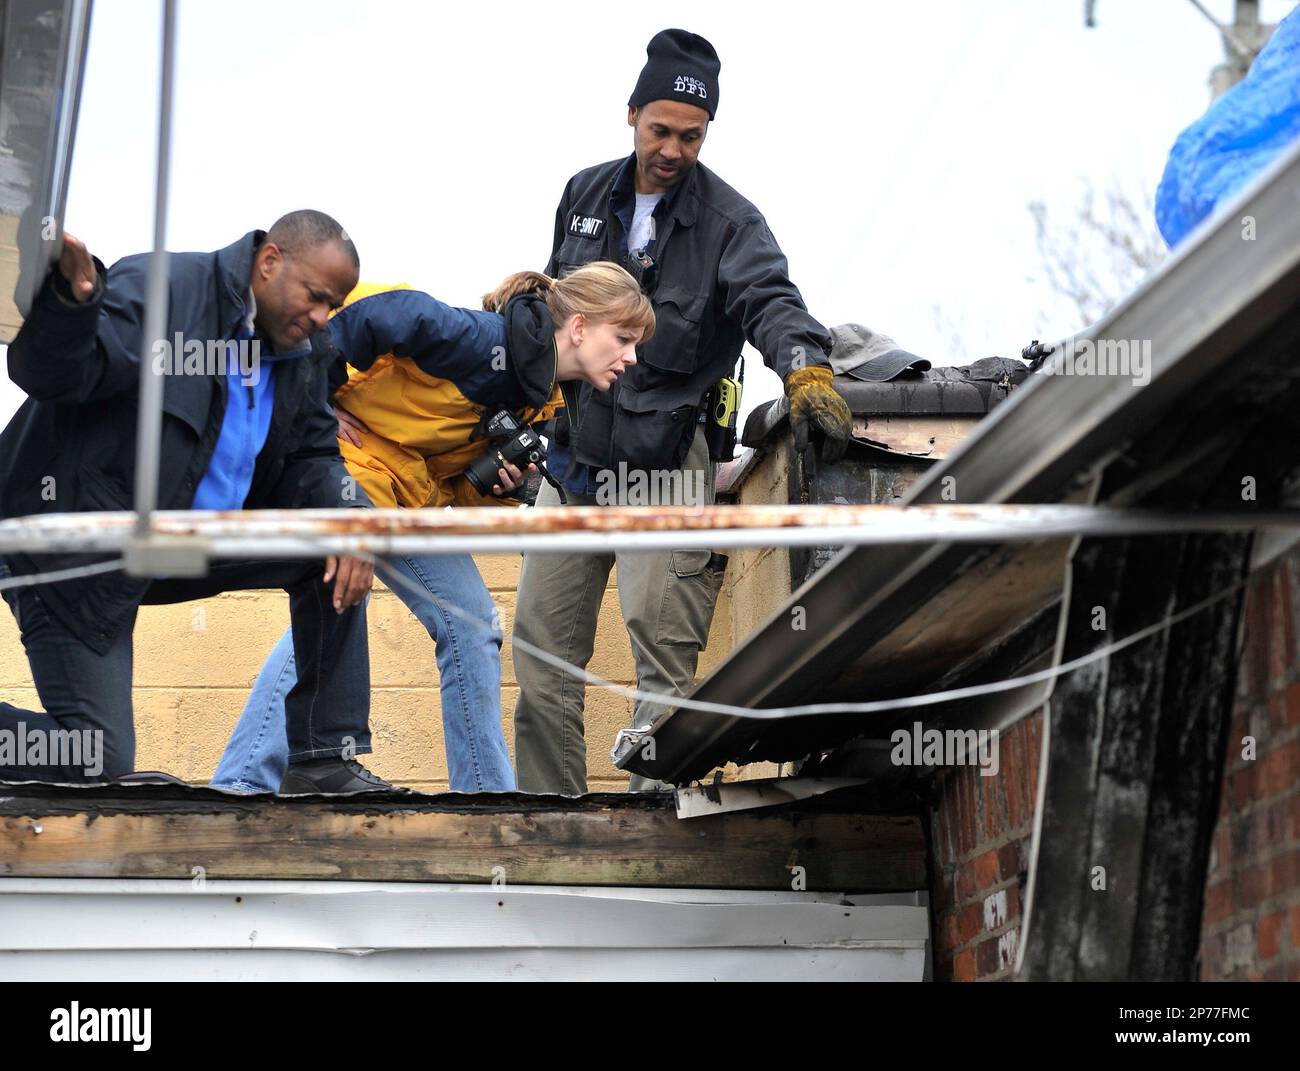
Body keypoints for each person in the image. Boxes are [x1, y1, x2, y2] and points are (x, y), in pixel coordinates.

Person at [512, 28, 853, 794]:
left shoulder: (732, 223)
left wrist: (807, 371)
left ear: (708, 135)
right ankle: (550, 828)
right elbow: (554, 318)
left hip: (666, 467)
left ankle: (653, 826)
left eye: (690, 137)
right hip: (572, 465)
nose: (672, 148)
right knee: (539, 656)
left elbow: (772, 300)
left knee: (662, 660)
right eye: (659, 130)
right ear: (630, 115)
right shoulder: (582, 196)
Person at [211, 263, 653, 794]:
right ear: (579, 328)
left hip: (400, 497)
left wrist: (492, 486)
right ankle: (243, 782)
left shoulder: (536, 400)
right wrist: (316, 408)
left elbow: (444, 484)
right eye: (624, 338)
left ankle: (487, 798)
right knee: (335, 597)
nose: (631, 357)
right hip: (343, 471)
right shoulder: (479, 339)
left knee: (470, 620)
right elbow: (368, 314)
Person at [0, 211, 394, 793]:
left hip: (176, 547)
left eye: (332, 307)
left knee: (334, 550)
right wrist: (72, 303)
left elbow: (314, 457)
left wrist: (351, 516)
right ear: (269, 262)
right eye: (315, 297)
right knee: (99, 764)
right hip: (68, 552)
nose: (320, 318)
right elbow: (53, 374)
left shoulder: (302, 352)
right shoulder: (166, 292)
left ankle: (322, 760)